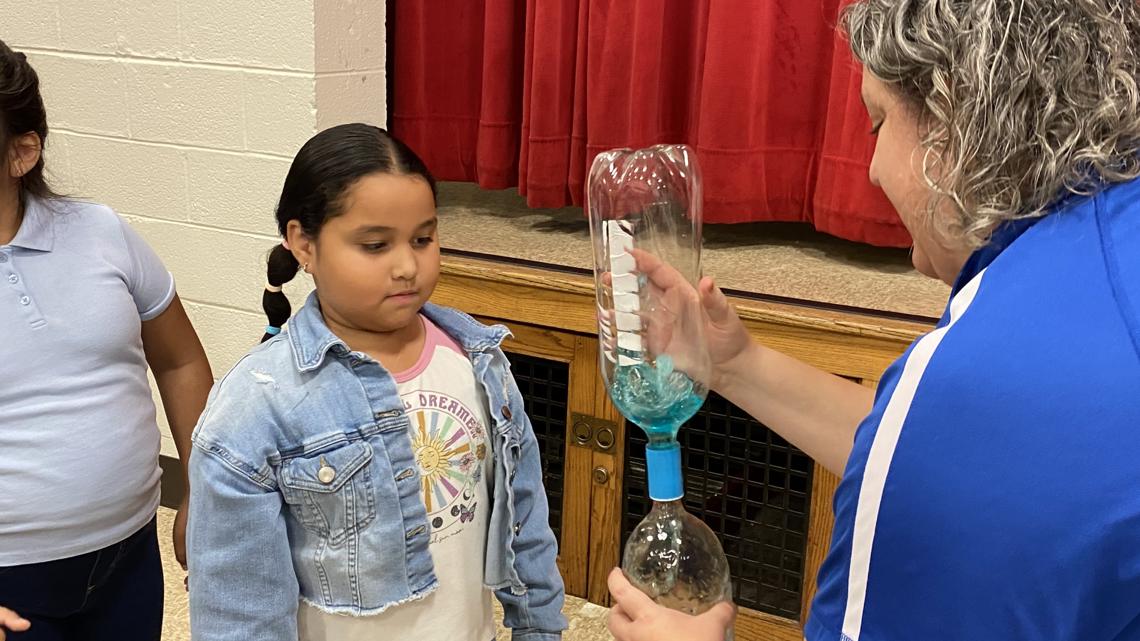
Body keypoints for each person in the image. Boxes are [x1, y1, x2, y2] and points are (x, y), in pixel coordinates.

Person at [607, 1, 1140, 640]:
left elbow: (969, 440)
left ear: (951, 118)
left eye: (877, 123)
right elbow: (931, 453)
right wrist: (733, 365)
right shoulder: (1099, 267)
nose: (870, 168)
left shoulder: (1003, 376)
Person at [186, 123, 567, 641]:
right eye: (374, 245)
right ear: (303, 243)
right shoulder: (256, 407)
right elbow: (240, 612)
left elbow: (525, 522)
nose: (407, 266)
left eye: (423, 239)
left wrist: (539, 629)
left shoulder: (478, 360)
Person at [0, 39, 213, 640]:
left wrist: (201, 490)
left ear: (21, 152)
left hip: (127, 556)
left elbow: (180, 361)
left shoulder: (100, 232)